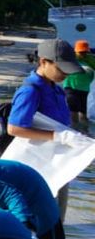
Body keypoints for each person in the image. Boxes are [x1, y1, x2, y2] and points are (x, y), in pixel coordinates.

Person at [7, 39, 87, 219]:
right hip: (37, 165)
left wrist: (74, 136)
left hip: (58, 162)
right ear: (44, 62)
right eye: (62, 69)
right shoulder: (31, 90)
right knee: (41, 217)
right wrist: (58, 136)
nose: (66, 74)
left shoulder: (56, 89)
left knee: (58, 216)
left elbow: (61, 123)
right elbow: (14, 128)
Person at [61, 39, 94, 125]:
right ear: (76, 51)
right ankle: (74, 129)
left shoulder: (90, 59)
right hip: (71, 87)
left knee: (83, 113)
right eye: (81, 52)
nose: (83, 54)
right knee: (73, 111)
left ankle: (85, 133)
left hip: (84, 89)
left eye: (85, 52)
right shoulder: (70, 58)